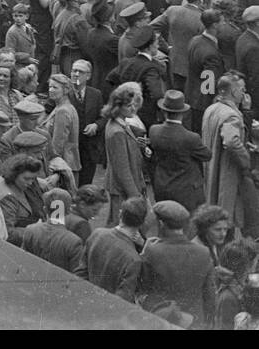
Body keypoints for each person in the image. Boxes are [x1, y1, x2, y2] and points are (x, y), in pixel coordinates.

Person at [137, 200, 216, 328]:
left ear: (161, 224)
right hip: (193, 321)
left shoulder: (153, 251)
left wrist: (143, 253)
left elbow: (141, 287)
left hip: (161, 319)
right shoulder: (203, 252)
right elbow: (210, 295)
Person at [201, 72, 259, 238]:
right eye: (242, 90)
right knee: (227, 220)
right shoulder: (232, 116)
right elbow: (231, 141)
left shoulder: (211, 109)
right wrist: (246, 159)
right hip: (228, 175)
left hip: (211, 170)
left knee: (214, 219)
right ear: (234, 92)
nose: (244, 94)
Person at [147, 90, 212, 213]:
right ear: (182, 113)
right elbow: (207, 155)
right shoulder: (191, 138)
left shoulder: (154, 131)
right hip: (186, 192)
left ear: (164, 111)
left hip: (162, 187)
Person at [101, 81, 149, 228]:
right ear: (118, 106)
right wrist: (135, 196)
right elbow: (122, 169)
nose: (133, 108)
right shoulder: (116, 131)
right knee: (121, 225)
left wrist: (137, 144)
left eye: (133, 104)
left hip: (122, 185)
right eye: (128, 105)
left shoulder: (120, 123)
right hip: (122, 187)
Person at [85, 197, 148, 303]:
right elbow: (124, 297)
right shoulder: (134, 259)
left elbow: (81, 271)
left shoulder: (97, 233)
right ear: (142, 223)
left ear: (120, 214)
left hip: (88, 299)